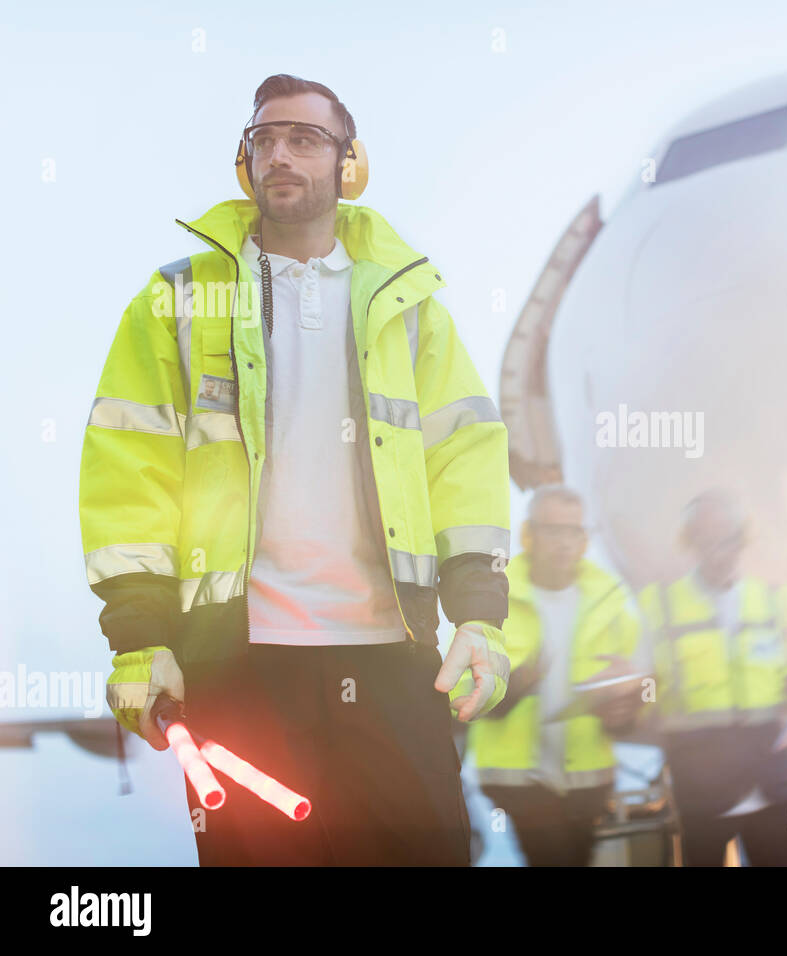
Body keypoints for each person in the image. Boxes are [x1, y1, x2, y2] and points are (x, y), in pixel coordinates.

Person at [79, 74, 512, 865]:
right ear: (245, 163)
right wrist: (139, 636)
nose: (279, 153)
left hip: (392, 655)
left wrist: (479, 615)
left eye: (305, 138)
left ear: (350, 164)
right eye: (263, 139)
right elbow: (129, 462)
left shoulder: (411, 308)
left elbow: (463, 456)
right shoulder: (176, 300)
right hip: (237, 663)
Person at [470, 485, 645, 866]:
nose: (565, 543)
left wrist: (626, 707)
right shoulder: (491, 598)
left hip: (589, 777)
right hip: (516, 779)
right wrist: (509, 689)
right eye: (554, 531)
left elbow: (639, 696)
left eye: (574, 532)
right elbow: (460, 695)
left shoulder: (611, 600)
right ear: (529, 534)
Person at [638, 488, 787, 866]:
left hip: (768, 773)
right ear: (690, 543)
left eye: (726, 538)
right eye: (705, 539)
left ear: (741, 541)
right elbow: (645, 688)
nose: (717, 549)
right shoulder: (658, 605)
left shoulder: (771, 600)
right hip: (701, 778)